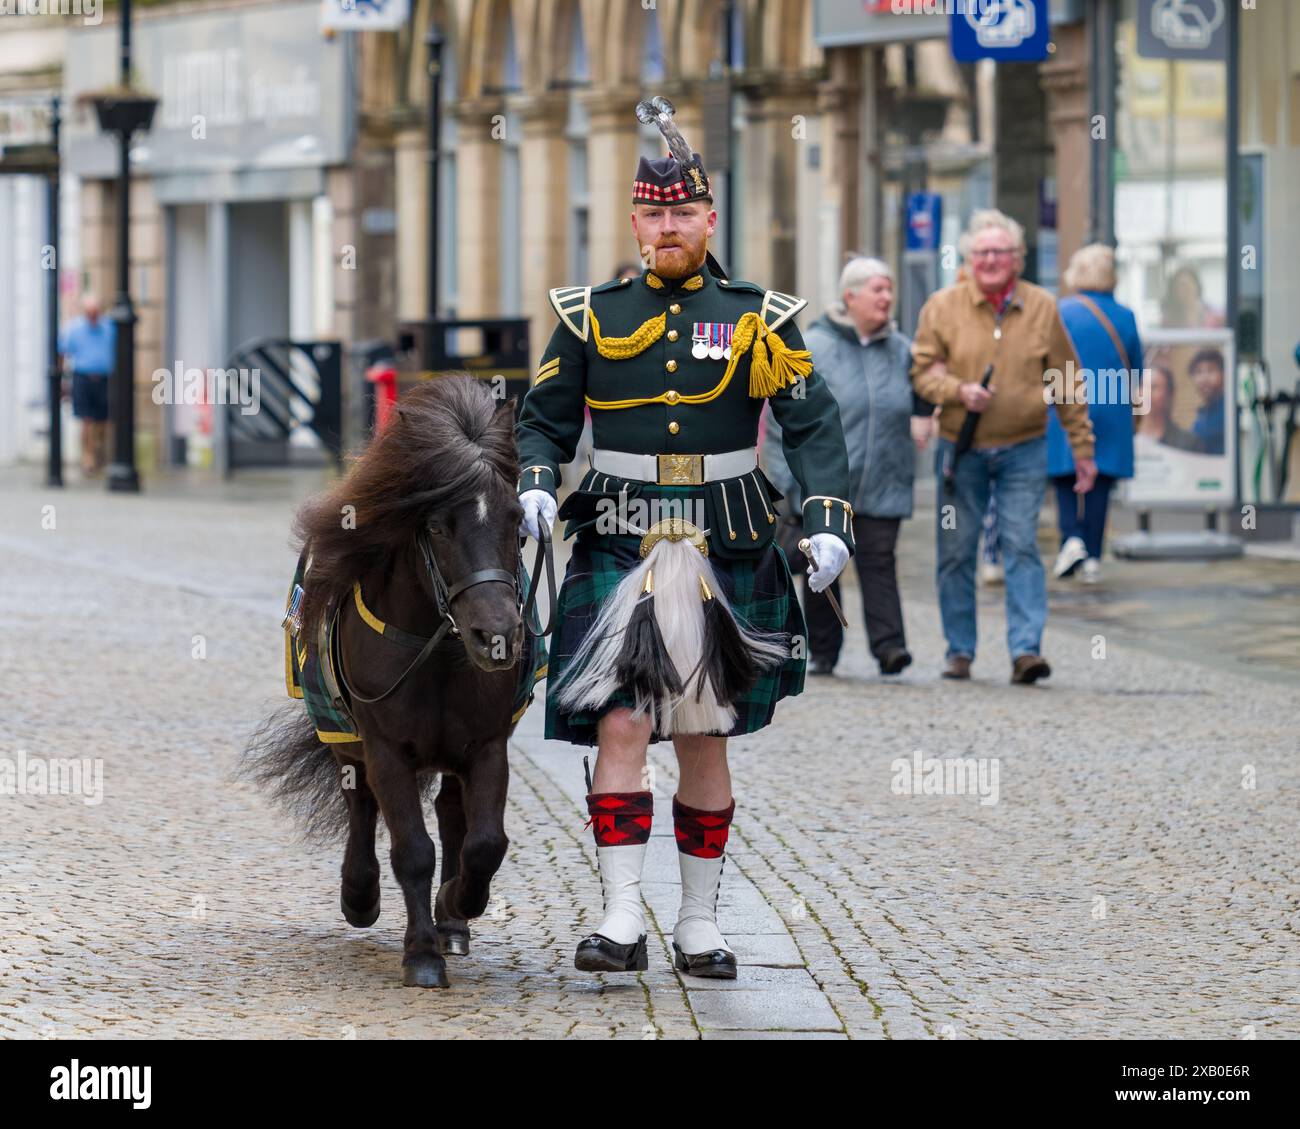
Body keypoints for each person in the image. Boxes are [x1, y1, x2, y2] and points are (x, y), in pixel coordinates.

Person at [514, 99, 855, 980]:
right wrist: (539, 486)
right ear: (636, 222)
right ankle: (621, 913)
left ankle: (699, 921)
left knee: (705, 731)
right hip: (619, 535)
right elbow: (543, 421)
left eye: (683, 214)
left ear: (709, 219)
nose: (669, 227)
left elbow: (813, 427)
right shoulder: (589, 312)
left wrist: (825, 522)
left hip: (727, 536)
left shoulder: (760, 316)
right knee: (622, 723)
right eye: (654, 215)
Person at [911, 208, 1096, 684]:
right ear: (970, 259)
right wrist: (958, 391)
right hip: (960, 445)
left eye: (1001, 252)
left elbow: (1066, 379)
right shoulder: (942, 306)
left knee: (1021, 545)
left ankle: (1025, 651)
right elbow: (921, 371)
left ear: (1018, 259)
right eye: (982, 252)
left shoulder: (1042, 307)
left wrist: (1082, 447)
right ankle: (959, 651)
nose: (991, 260)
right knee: (956, 551)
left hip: (1024, 447)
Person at [764, 256, 931, 677]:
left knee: (879, 560)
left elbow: (924, 394)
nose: (887, 298)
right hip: (826, 485)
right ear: (849, 296)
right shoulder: (815, 346)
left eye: (890, 290)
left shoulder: (902, 350)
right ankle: (823, 650)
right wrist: (784, 482)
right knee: (822, 564)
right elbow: (783, 418)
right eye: (878, 289)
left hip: (883, 478)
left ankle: (890, 647)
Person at [1048, 243, 1141, 584]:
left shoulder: (1061, 311)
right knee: (1099, 480)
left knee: (1066, 473)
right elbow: (1136, 371)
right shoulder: (1125, 316)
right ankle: (1093, 556)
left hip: (1068, 400)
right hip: (1113, 402)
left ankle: (1071, 537)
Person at [59, 295, 116, 476]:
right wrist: (61, 380)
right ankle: (88, 457)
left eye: (95, 312)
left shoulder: (109, 328)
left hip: (105, 378)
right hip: (82, 377)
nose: (93, 316)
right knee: (86, 419)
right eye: (89, 313)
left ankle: (99, 452)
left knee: (103, 420)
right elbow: (63, 353)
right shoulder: (75, 329)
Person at [1136, 362, 1200, 452]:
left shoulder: (1188, 443)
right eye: (1142, 386)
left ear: (1169, 394)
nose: (1146, 393)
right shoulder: (1123, 439)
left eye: (1154, 387)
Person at [1188, 347, 1226, 456]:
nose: (1204, 378)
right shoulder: (1202, 415)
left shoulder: (1228, 411)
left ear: (1223, 375)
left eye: (1211, 370)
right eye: (1199, 372)